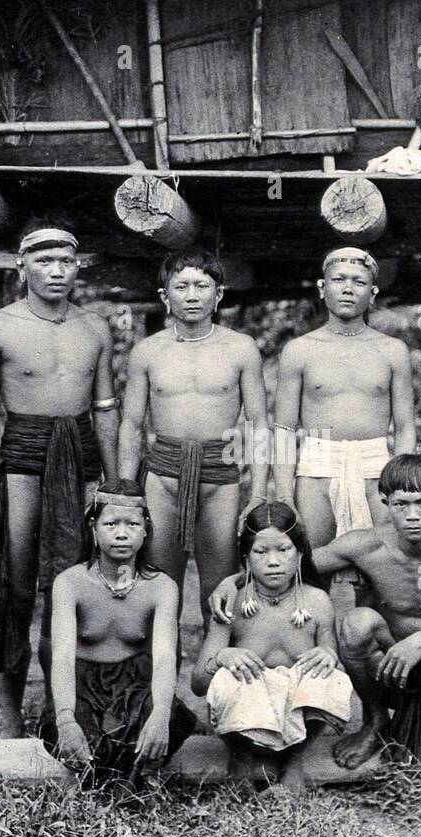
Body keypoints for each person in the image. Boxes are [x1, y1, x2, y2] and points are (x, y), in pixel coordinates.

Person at [210, 454, 421, 768]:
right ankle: (376, 722)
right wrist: (233, 581)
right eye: (401, 504)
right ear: (384, 502)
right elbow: (291, 565)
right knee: (358, 623)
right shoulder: (365, 545)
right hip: (388, 668)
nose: (413, 515)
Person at [0, 224, 120, 741]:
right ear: (21, 267)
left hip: (80, 459)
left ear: (78, 268)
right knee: (14, 585)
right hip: (20, 459)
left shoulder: (95, 328)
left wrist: (115, 483)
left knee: (69, 585)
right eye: (45, 261)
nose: (56, 272)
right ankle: (10, 720)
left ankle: (63, 713)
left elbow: (105, 410)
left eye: (66, 262)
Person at [118, 249, 270, 622]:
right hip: (164, 472)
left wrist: (261, 490)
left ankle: (213, 675)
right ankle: (160, 677)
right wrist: (124, 490)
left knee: (219, 585)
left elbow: (258, 424)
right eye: (181, 286)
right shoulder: (147, 351)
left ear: (218, 295)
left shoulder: (240, 349)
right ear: (164, 296)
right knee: (158, 581)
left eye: (202, 286)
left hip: (221, 474)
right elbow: (132, 425)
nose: (191, 295)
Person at [190, 502, 349, 793]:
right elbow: (200, 683)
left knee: (333, 679)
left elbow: (335, 665)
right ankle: (240, 757)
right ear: (246, 559)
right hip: (245, 722)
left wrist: (328, 656)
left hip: (297, 719)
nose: (273, 561)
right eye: (261, 552)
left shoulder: (316, 601)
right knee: (225, 678)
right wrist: (224, 656)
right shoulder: (232, 601)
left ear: (300, 554)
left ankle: (294, 759)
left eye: (284, 550)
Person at [49, 479, 197, 782]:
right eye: (111, 523)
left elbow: (165, 656)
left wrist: (159, 715)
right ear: (93, 527)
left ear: (146, 529)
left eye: (131, 523)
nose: (121, 533)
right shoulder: (69, 583)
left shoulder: (161, 587)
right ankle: (84, 775)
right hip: (83, 686)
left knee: (169, 717)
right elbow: (62, 656)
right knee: (68, 727)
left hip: (135, 687)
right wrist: (65, 719)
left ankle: (143, 770)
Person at [273, 247, 416, 549]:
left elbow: (404, 427)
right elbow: (284, 429)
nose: (348, 289)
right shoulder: (299, 350)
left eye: (359, 282)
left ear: (373, 292)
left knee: (381, 566)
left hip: (376, 469)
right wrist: (285, 496)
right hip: (317, 467)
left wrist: (399, 484)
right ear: (323, 288)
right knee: (310, 564)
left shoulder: (392, 350)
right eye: (339, 280)